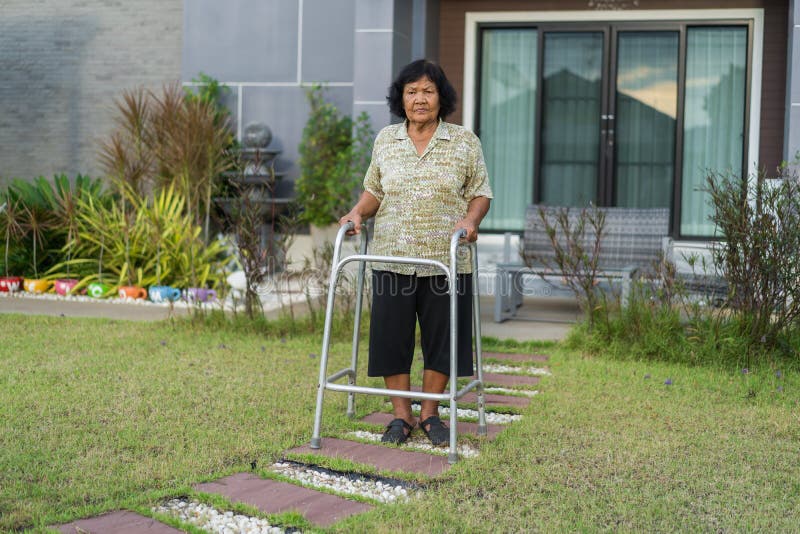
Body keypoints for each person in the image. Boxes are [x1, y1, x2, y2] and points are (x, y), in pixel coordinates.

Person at [340, 59, 492, 446]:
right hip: (393, 256)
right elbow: (375, 189)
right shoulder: (386, 139)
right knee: (393, 338)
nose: (419, 99)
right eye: (412, 92)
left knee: (443, 339)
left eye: (427, 91)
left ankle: (430, 413)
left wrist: (470, 221)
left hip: (446, 260)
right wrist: (358, 212)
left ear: (441, 97)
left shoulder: (463, 141)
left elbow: (480, 192)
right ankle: (400, 416)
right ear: (401, 98)